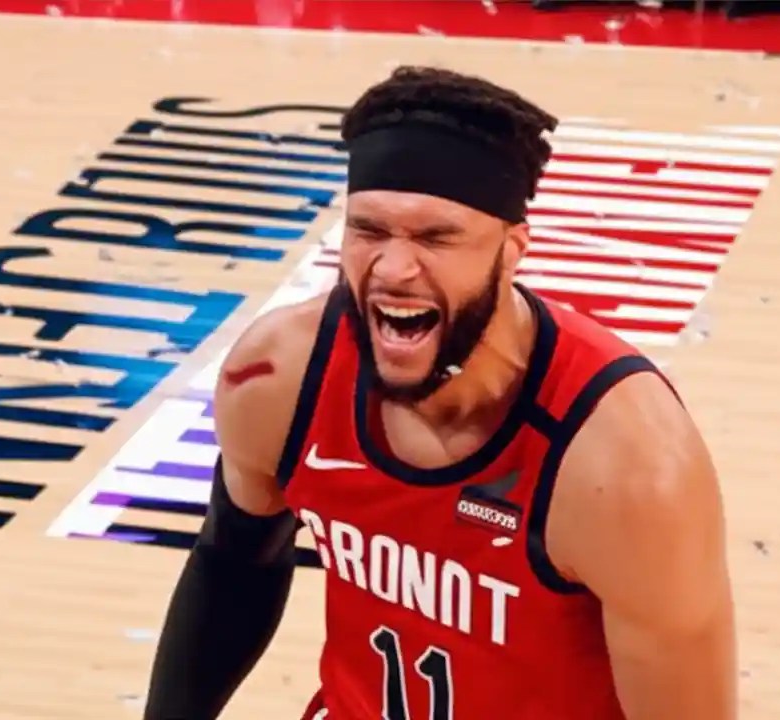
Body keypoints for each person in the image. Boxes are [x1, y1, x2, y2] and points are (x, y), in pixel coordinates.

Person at [142, 65, 737, 720]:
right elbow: (233, 566)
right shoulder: (280, 376)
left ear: (512, 251)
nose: (394, 269)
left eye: (436, 237)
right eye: (368, 230)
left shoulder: (622, 466)